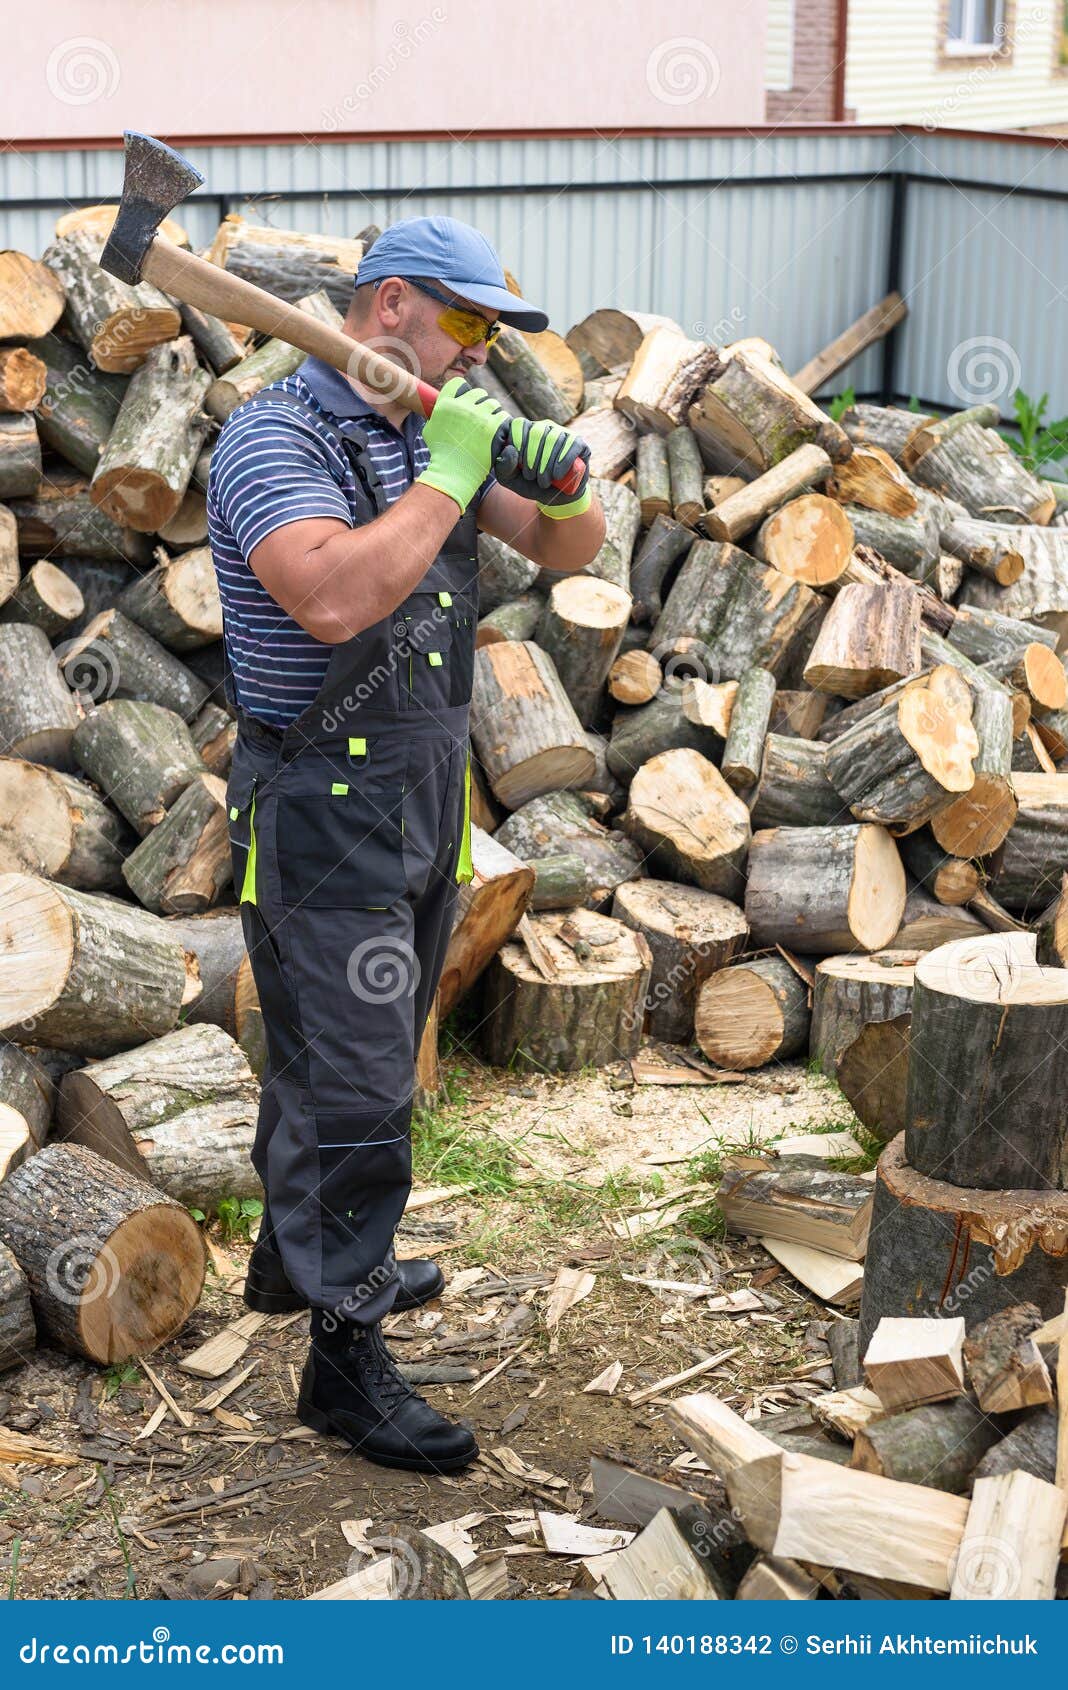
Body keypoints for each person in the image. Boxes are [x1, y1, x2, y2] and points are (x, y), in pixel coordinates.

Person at [207, 214, 605, 1474]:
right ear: (388, 307)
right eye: (471, 323)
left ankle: (299, 1249)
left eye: (497, 332)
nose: (485, 351)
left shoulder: (420, 430)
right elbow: (329, 594)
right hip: (323, 808)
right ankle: (344, 1355)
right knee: (364, 1086)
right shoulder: (277, 438)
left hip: (427, 793)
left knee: (345, 1047)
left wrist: (563, 480)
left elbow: (565, 549)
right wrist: (451, 468)